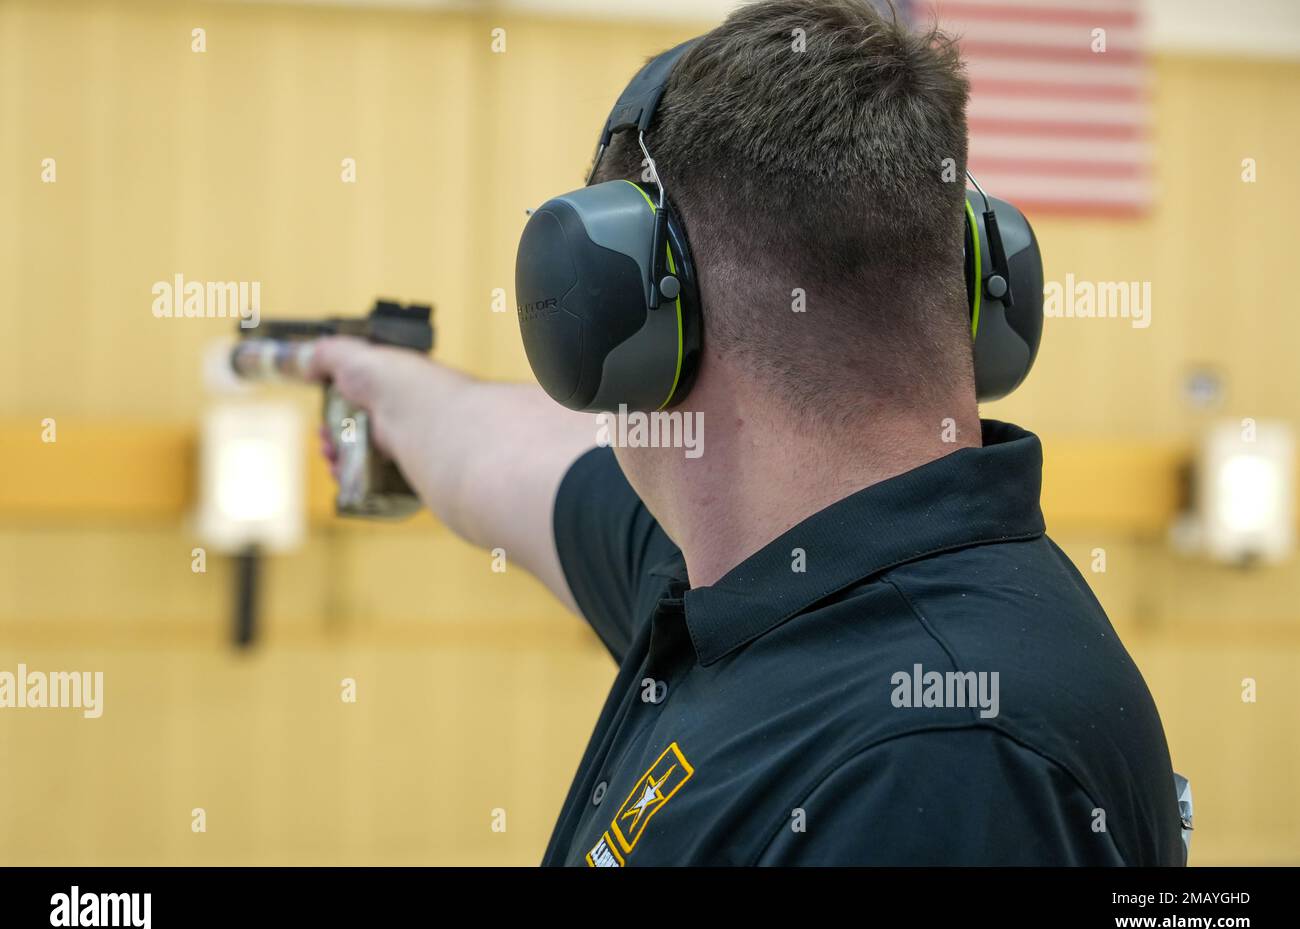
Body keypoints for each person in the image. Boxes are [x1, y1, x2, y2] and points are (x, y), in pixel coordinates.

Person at [310, 0, 1186, 866]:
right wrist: (379, 380)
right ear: (983, 278)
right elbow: (508, 457)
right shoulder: (756, 578)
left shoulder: (937, 760)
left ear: (612, 310)